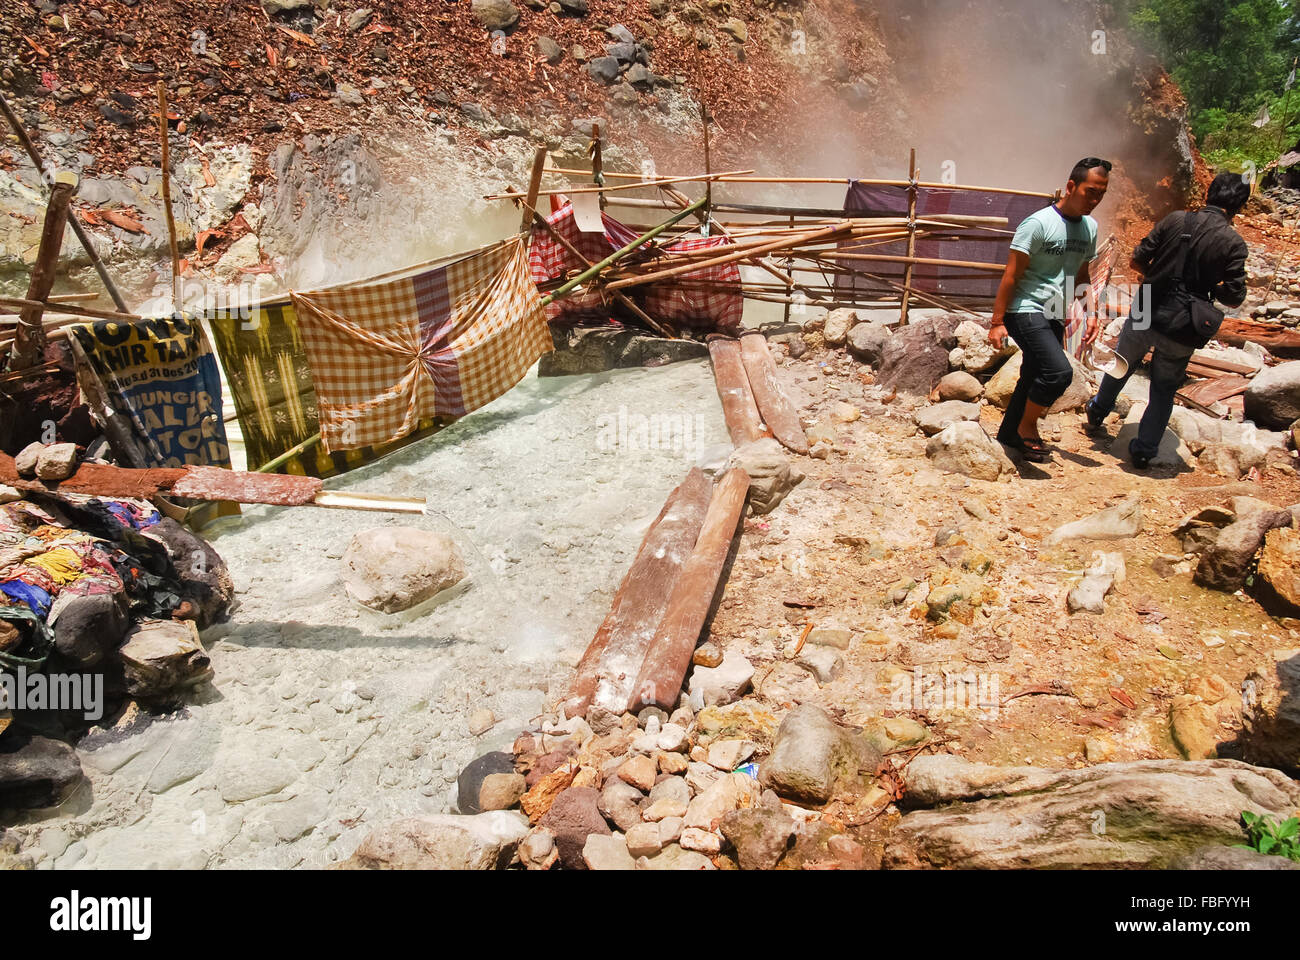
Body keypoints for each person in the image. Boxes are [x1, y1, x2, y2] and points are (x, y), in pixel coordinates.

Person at [1084, 171, 1250, 469]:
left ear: (1209, 194)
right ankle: (1145, 450)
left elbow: (1137, 260)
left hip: (1148, 305)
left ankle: (1097, 413)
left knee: (1122, 363)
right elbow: (1234, 297)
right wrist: (1208, 285)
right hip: (1185, 323)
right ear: (1239, 205)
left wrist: (1158, 276)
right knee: (1163, 388)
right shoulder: (1233, 243)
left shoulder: (1176, 220)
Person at [989, 158, 1110, 462]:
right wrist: (997, 322)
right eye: (1090, 192)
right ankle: (1028, 427)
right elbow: (1011, 275)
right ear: (1071, 186)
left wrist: (1092, 313)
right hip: (1025, 308)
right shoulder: (1038, 223)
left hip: (1055, 310)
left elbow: (1081, 277)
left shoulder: (1090, 228)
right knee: (1058, 372)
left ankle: (1009, 435)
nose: (1094, 201)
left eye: (1101, 195)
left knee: (1032, 374)